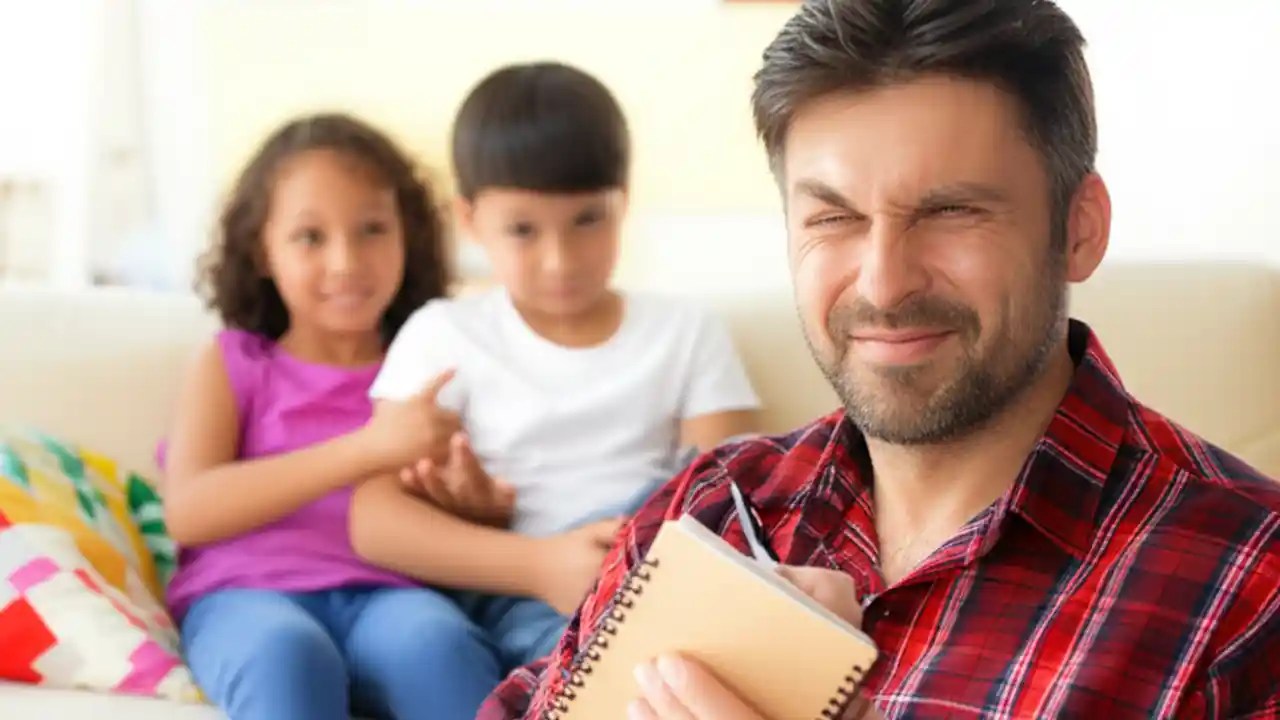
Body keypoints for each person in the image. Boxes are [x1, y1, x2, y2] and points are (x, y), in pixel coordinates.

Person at [478, 1, 1280, 718]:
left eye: (951, 211)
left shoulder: (1253, 586)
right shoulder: (708, 509)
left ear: (1079, 227)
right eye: (833, 218)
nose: (884, 282)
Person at [348, 62, 761, 679]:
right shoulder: (444, 335)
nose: (559, 260)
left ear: (623, 201)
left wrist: (641, 550)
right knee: (582, 658)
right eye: (522, 230)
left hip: (652, 556)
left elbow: (734, 490)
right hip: (520, 583)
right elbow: (375, 520)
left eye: (587, 220)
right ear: (469, 220)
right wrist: (540, 565)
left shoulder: (685, 329)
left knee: (707, 490)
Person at [160, 114, 496, 720]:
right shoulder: (233, 362)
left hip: (394, 594)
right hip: (246, 597)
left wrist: (475, 504)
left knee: (437, 649)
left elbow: (459, 516)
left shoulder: (436, 367)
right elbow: (189, 510)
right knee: (286, 654)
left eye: (372, 230)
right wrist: (367, 448)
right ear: (264, 248)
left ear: (408, 237)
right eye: (311, 238)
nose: (346, 261)